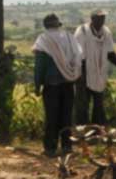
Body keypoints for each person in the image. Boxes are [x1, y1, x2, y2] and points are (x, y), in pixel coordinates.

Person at [32, 14, 83, 156]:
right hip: (68, 82)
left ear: (45, 25)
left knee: (52, 116)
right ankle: (67, 146)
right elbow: (78, 56)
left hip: (51, 83)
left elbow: (40, 65)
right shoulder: (69, 37)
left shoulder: (43, 39)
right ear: (58, 24)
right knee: (66, 115)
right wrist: (74, 74)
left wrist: (37, 84)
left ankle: (50, 148)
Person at [72, 10, 116, 127]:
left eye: (103, 18)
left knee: (98, 105)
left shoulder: (106, 32)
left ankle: (98, 131)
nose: (101, 21)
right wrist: (79, 76)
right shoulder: (82, 31)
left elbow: (110, 53)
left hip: (99, 73)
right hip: (84, 73)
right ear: (92, 19)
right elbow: (78, 56)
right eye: (98, 18)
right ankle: (83, 132)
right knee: (83, 105)